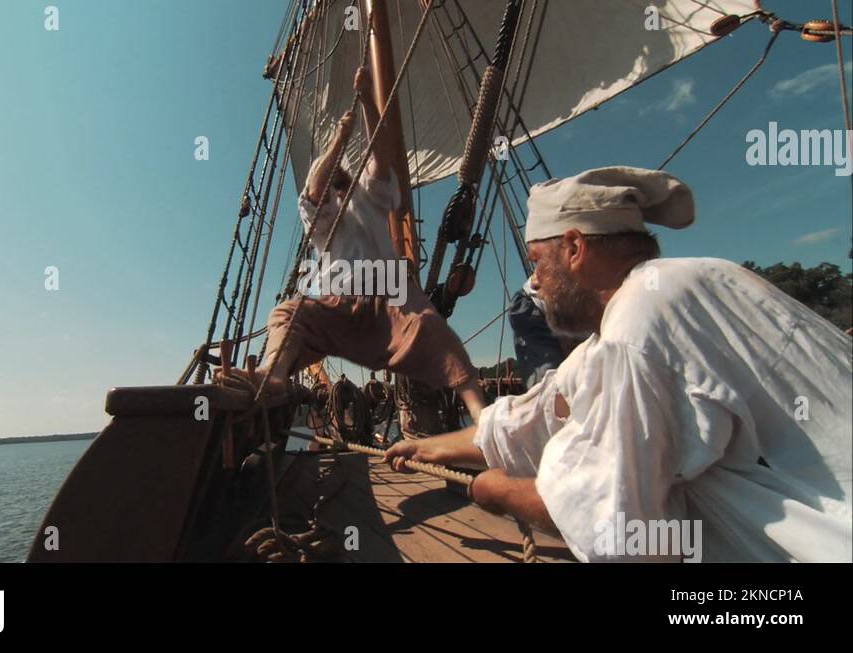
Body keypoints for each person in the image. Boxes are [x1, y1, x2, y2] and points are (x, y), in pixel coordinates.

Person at [385, 166, 852, 562]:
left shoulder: (644, 314)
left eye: (538, 262)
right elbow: (541, 413)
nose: (535, 283)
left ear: (574, 247)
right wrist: (429, 449)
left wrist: (497, 493)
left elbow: (623, 526)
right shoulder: (658, 299)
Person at [250, 66, 487, 425]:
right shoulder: (321, 216)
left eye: (339, 166)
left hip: (390, 294)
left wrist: (367, 103)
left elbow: (380, 155)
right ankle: (274, 374)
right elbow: (315, 186)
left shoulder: (373, 194)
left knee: (432, 330)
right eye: (331, 167)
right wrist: (338, 139)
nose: (335, 171)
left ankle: (481, 417)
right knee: (286, 314)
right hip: (340, 304)